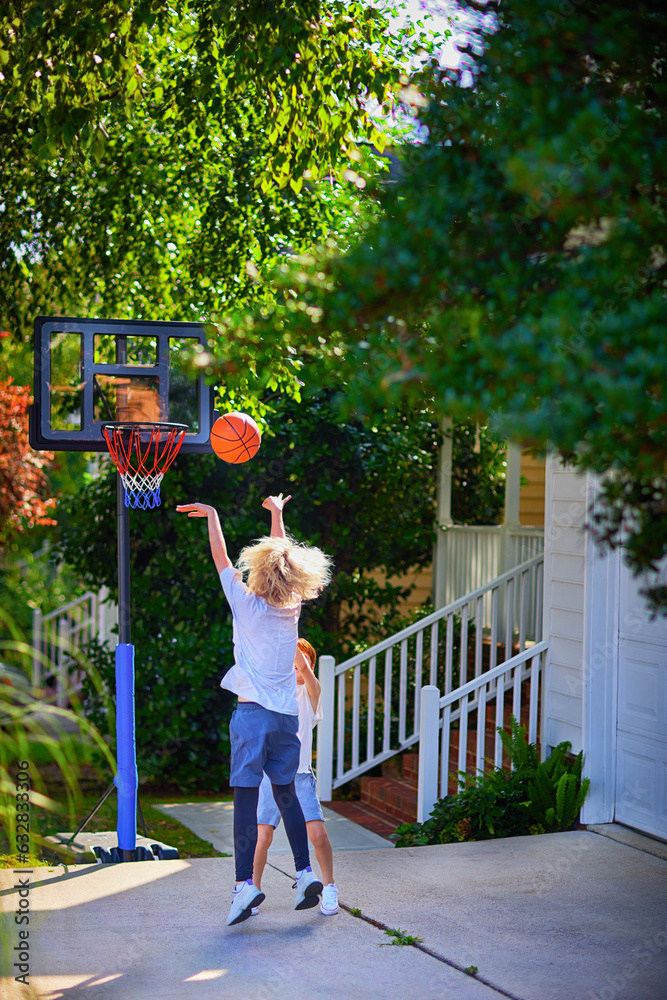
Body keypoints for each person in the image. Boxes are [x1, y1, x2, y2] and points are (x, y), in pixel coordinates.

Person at [176, 493, 333, 926]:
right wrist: (278, 516)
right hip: (285, 720)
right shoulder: (292, 608)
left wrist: (214, 514)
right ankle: (304, 874)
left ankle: (245, 885)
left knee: (246, 798)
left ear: (259, 571)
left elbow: (221, 556)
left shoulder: (244, 604)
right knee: (286, 796)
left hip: (252, 716)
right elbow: (281, 556)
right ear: (292, 577)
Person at [253, 637, 338, 916]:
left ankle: (330, 888)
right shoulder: (279, 693)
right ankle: (250, 892)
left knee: (317, 834)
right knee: (262, 835)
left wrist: (284, 631)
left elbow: (305, 672)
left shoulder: (311, 693)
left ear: (310, 665)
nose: (296, 668)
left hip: (300, 777)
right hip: (270, 777)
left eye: (302, 663)